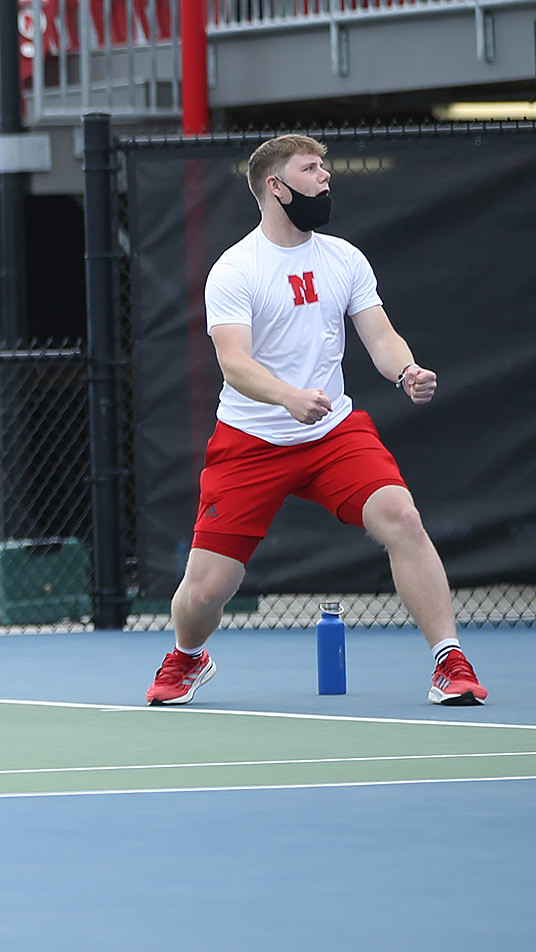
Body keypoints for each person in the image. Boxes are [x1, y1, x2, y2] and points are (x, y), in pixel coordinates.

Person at [145, 134, 487, 708]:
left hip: (334, 433)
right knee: (203, 593)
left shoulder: (344, 258)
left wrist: (405, 371)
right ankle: (188, 656)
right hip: (251, 440)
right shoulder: (235, 269)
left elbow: (380, 337)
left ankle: (449, 660)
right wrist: (286, 397)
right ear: (276, 187)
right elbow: (234, 363)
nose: (326, 176)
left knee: (402, 517)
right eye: (311, 168)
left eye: (324, 166)